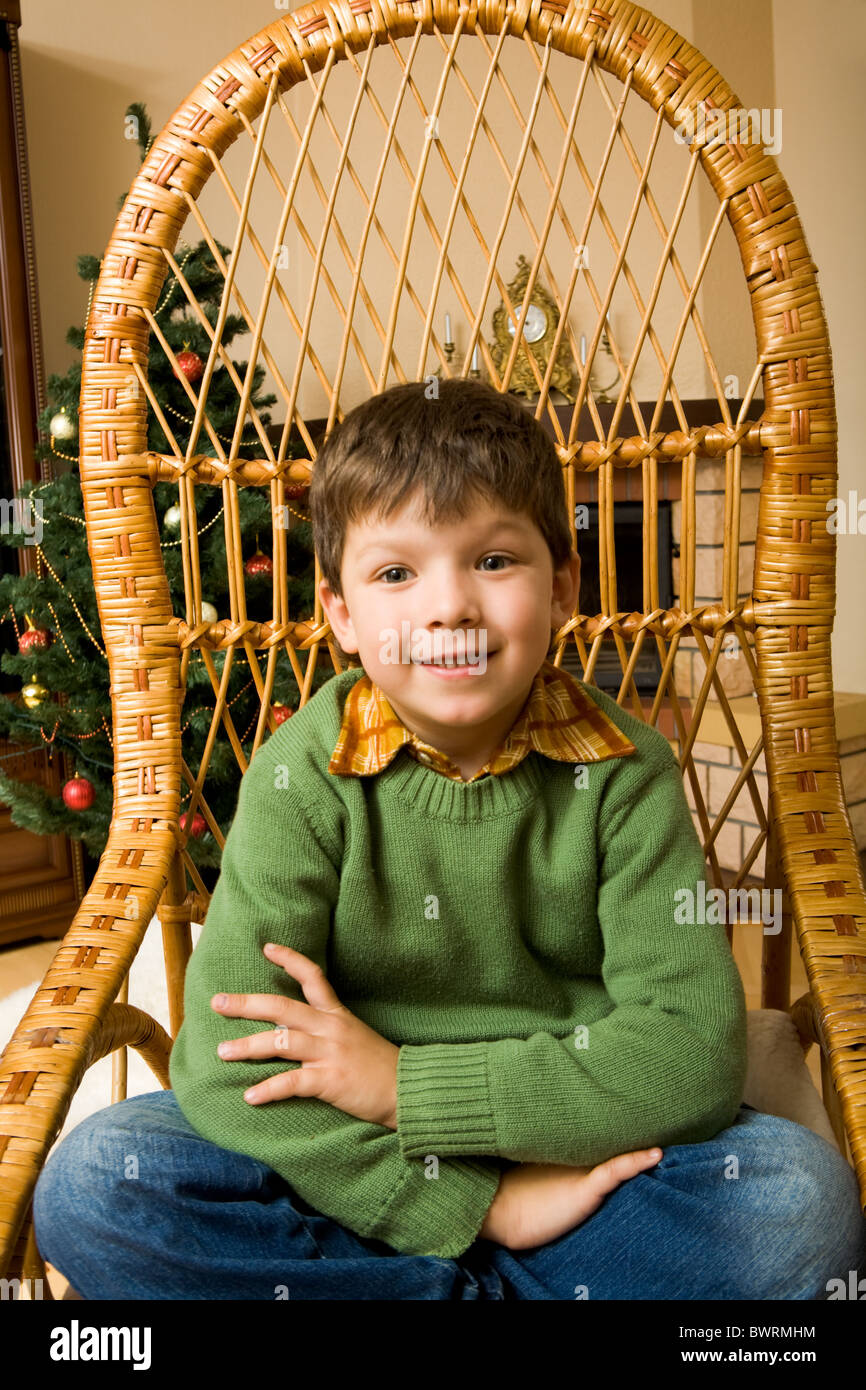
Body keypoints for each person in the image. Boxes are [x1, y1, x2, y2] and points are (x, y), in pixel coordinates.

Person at [33, 378, 866, 1300]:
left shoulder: (627, 775)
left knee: (797, 1203)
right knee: (100, 1179)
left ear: (564, 586)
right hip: (355, 1176)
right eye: (396, 573)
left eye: (495, 561)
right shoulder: (300, 777)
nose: (450, 608)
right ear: (343, 615)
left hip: (578, 1162)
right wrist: (476, 1208)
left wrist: (404, 1085)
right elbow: (226, 1072)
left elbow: (691, 1058)